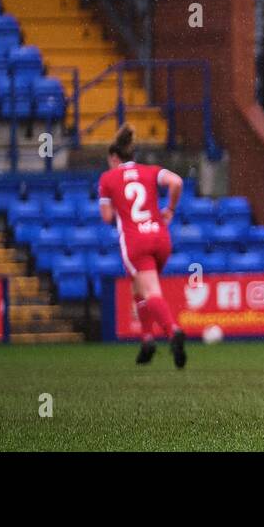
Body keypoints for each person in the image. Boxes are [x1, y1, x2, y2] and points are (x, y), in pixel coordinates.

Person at [97, 124, 188, 368]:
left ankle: (173, 331)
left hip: (136, 240)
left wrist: (118, 204)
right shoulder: (150, 171)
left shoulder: (108, 178)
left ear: (115, 158)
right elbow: (177, 182)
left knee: (150, 292)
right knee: (139, 288)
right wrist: (169, 210)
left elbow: (106, 217)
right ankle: (147, 340)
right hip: (160, 237)